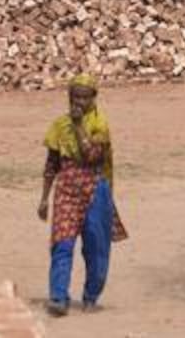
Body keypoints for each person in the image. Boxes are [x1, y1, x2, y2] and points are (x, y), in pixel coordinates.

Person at [37, 74, 128, 315]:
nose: (78, 101)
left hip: (95, 188)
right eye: (74, 96)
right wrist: (44, 198)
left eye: (84, 97)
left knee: (96, 247)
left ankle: (91, 296)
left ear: (94, 98)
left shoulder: (100, 124)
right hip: (66, 188)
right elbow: (51, 164)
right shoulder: (59, 126)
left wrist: (78, 126)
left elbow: (92, 156)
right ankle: (58, 297)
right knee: (62, 243)